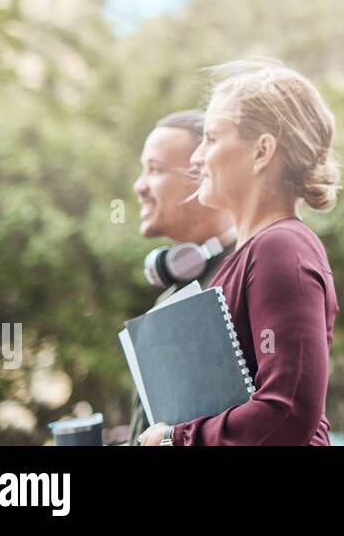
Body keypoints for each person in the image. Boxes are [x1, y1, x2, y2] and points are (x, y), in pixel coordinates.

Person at [137, 59, 341, 446]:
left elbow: (288, 413)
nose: (197, 158)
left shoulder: (282, 248)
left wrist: (174, 440)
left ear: (262, 151)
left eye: (211, 139)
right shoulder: (251, 255)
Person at [125, 109, 234, 446]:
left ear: (204, 175)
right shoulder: (174, 292)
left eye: (155, 170)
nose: (139, 186)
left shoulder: (238, 278)